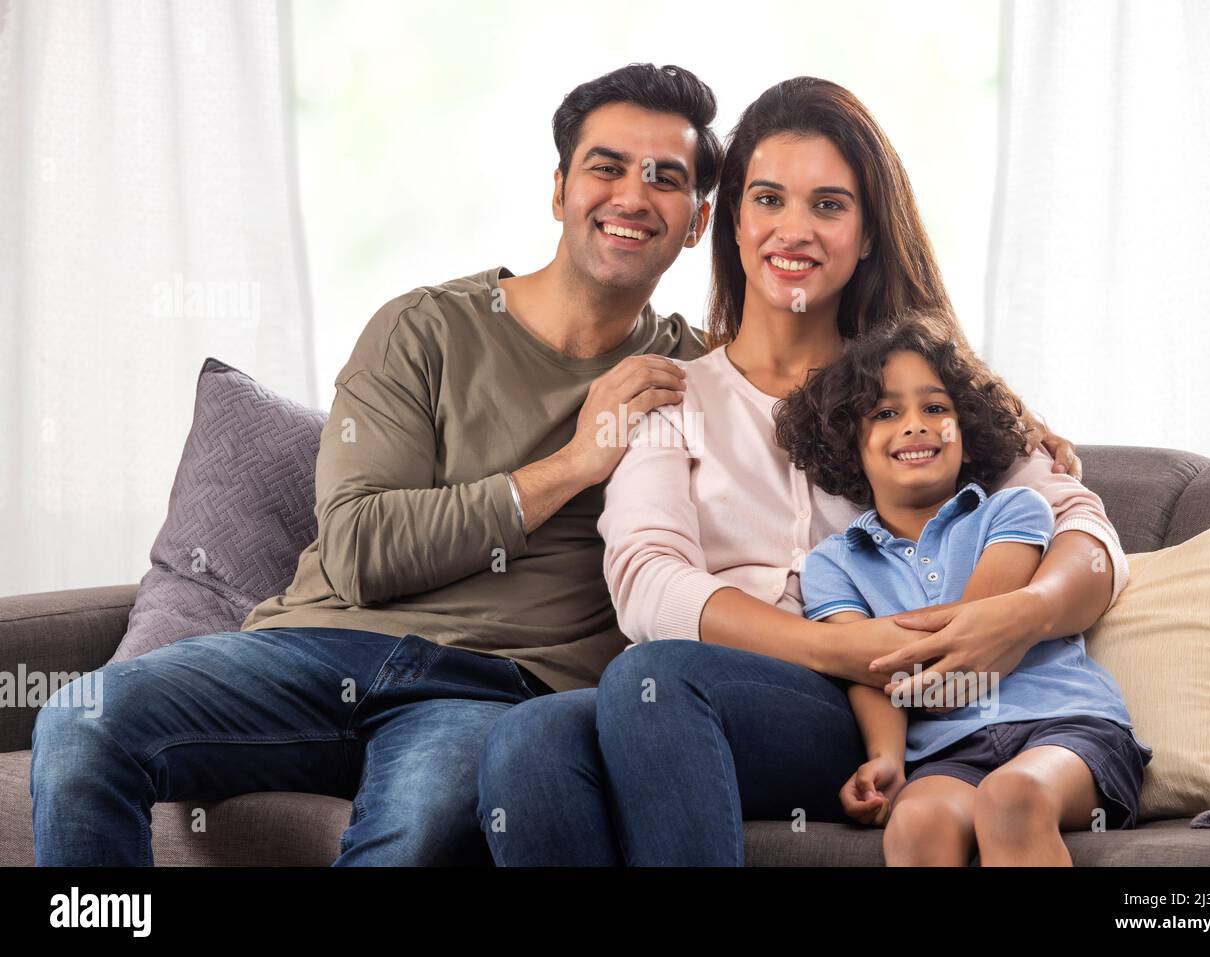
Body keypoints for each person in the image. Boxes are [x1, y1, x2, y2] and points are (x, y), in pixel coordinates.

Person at [29, 62, 722, 866]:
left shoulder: (692, 378)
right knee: (80, 718)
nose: (633, 196)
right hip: (315, 649)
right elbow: (359, 548)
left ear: (699, 221)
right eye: (606, 167)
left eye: (665, 179)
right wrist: (573, 464)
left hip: (498, 689)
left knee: (414, 836)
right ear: (561, 188)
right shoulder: (425, 330)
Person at [477, 76, 1123, 866]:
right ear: (733, 223)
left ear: (868, 233)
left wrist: (1022, 613)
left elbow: (1088, 535)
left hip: (871, 714)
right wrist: (833, 648)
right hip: (736, 692)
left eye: (829, 205)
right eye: (769, 199)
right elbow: (647, 579)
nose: (795, 230)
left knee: (657, 682)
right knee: (528, 739)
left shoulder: (921, 396)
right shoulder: (671, 396)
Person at [781, 315, 1151, 866]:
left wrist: (897, 659)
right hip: (947, 749)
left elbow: (974, 626)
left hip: (1066, 725)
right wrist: (886, 756)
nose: (915, 425)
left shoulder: (1013, 509)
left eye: (936, 408)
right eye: (885, 413)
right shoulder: (832, 564)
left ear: (967, 430)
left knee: (1011, 798)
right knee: (915, 822)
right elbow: (867, 669)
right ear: (847, 442)